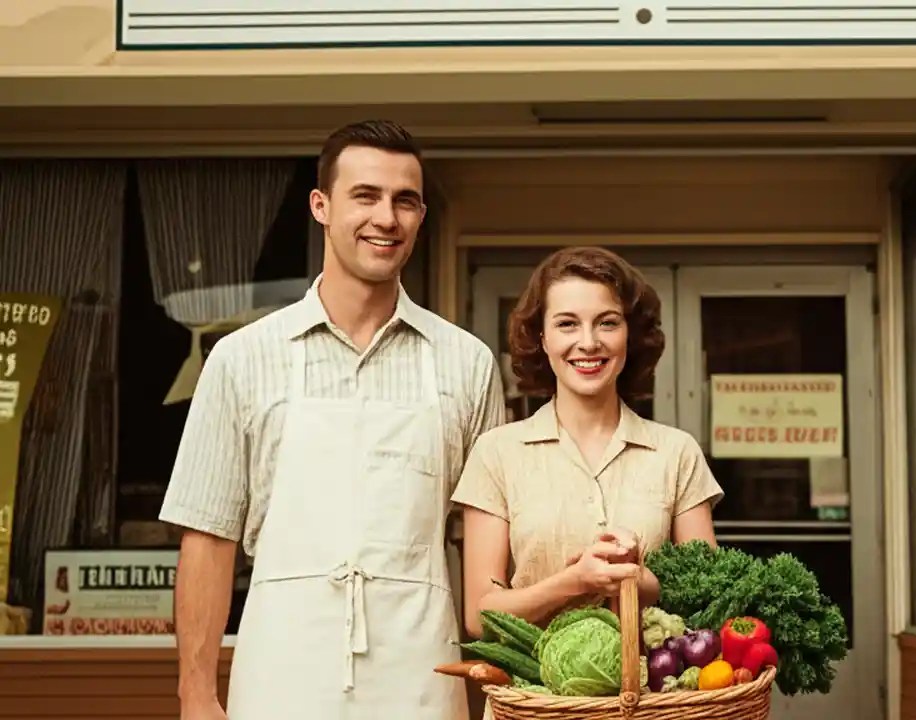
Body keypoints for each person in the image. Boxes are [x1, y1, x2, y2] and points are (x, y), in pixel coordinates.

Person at [159, 120, 505, 720]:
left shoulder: (466, 362)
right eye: (365, 196)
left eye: (405, 201)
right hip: (280, 674)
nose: (386, 218)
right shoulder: (243, 357)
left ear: (421, 216)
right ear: (321, 205)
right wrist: (195, 693)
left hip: (420, 675)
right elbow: (208, 538)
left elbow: (486, 553)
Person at [450, 246, 723, 650]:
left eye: (607, 323)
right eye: (567, 324)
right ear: (541, 337)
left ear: (630, 333)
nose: (589, 342)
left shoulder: (676, 453)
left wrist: (638, 580)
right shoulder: (497, 453)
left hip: (655, 705)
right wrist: (572, 582)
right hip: (532, 708)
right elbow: (479, 616)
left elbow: (712, 598)